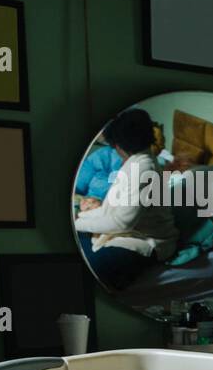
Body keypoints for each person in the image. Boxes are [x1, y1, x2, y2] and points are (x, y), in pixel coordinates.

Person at [73, 109, 179, 290]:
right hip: (129, 231)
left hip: (148, 242)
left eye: (114, 145)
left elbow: (122, 223)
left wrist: (77, 224)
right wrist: (80, 218)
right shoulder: (137, 161)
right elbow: (111, 209)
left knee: (84, 271)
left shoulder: (143, 169)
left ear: (120, 145)